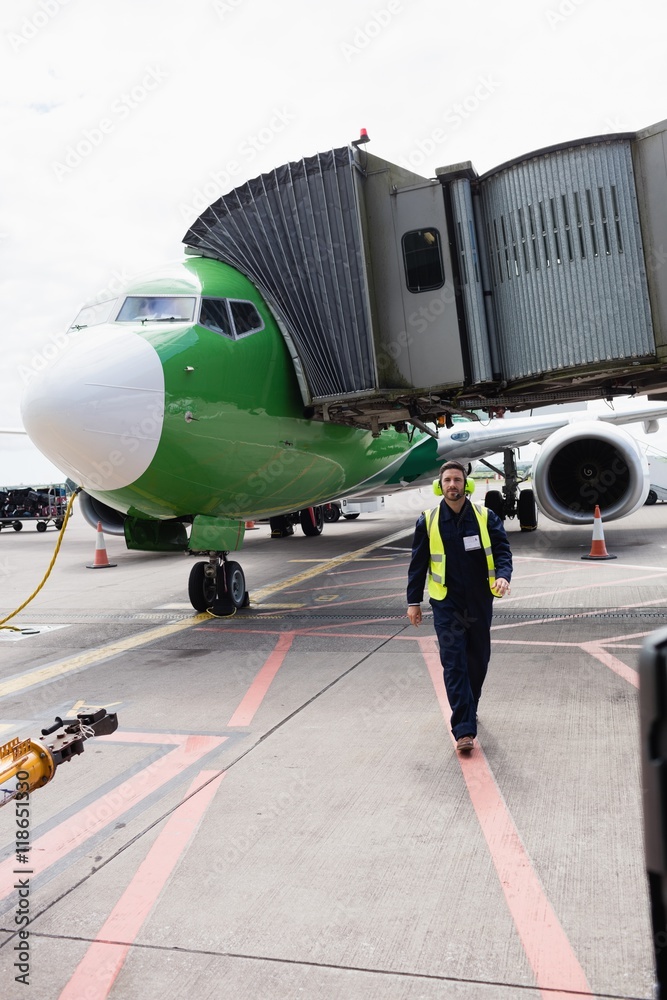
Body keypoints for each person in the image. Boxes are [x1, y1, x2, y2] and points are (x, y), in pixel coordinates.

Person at [406, 461, 513, 753]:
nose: (452, 485)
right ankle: (463, 729)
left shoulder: (484, 516)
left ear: (466, 484)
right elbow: (418, 565)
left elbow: (502, 550)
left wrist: (503, 575)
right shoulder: (427, 520)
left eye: (457, 480)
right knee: (454, 663)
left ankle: (469, 706)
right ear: (439, 486)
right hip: (446, 603)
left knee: (477, 660)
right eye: (447, 480)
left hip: (479, 600)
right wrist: (413, 601)